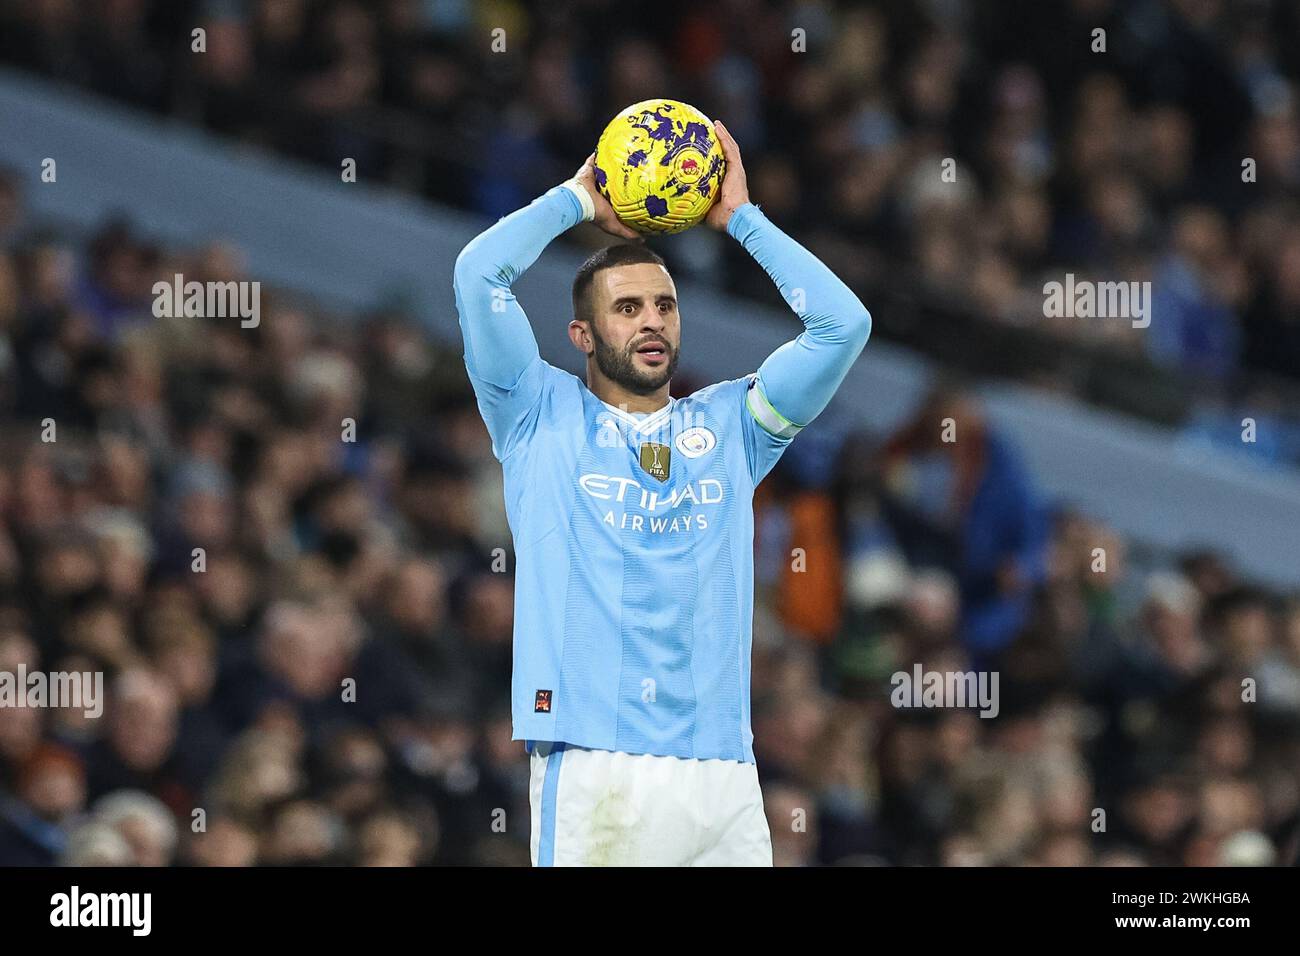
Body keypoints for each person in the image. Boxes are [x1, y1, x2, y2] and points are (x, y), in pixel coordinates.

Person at [452, 119, 871, 866]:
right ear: (581, 335)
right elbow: (478, 275)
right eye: (627, 307)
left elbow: (843, 326)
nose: (651, 321)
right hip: (596, 761)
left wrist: (741, 219)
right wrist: (575, 200)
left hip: (724, 771)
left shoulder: (734, 425)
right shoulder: (535, 412)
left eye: (664, 306)